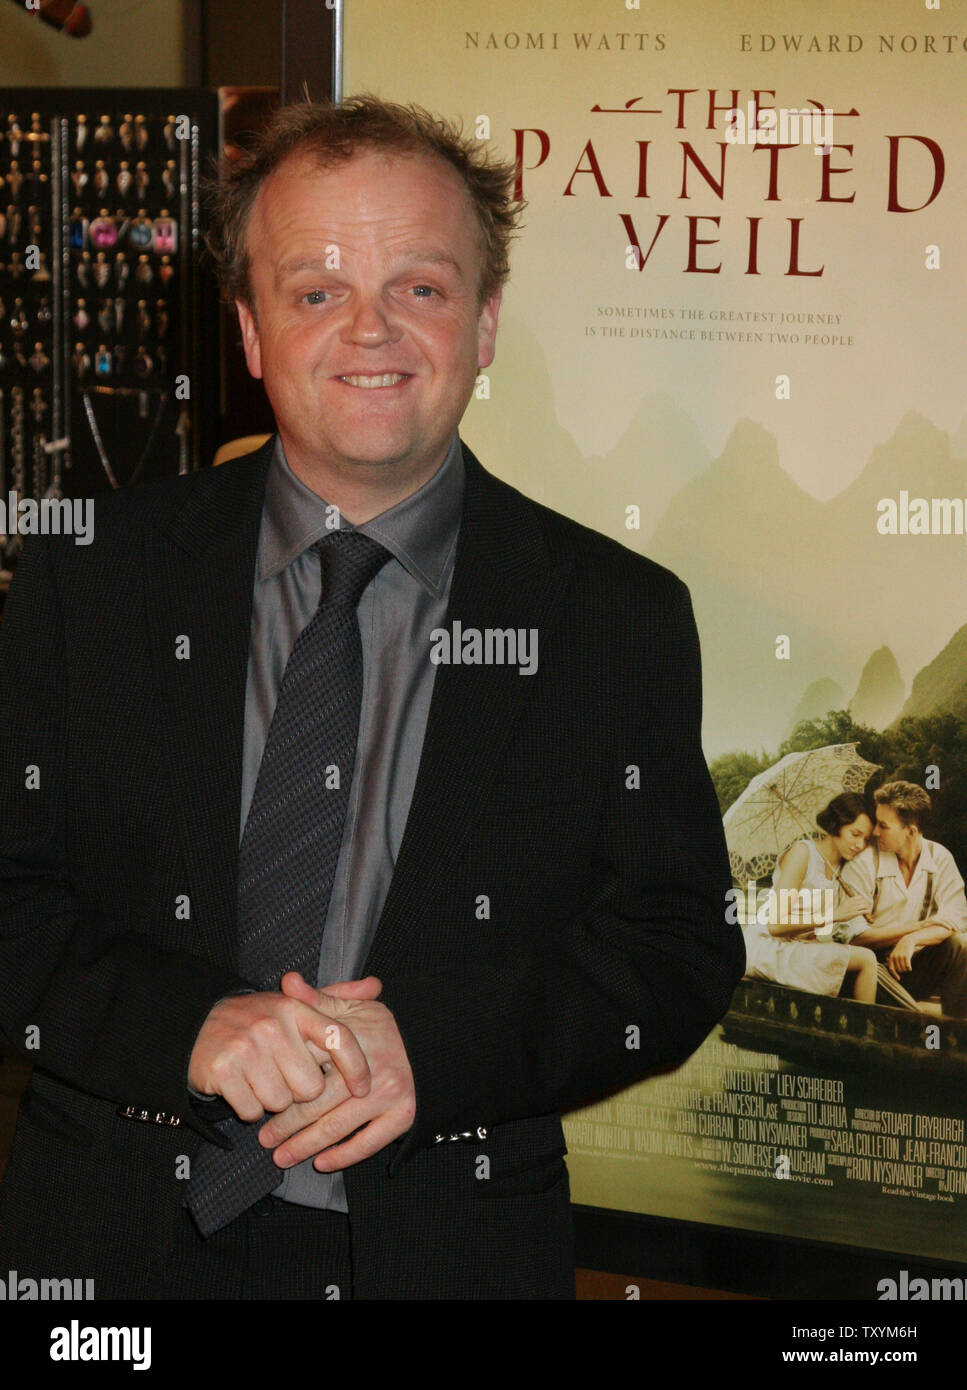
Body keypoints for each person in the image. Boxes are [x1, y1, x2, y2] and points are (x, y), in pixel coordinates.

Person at [0, 96, 743, 1301]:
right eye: (315, 290)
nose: (370, 330)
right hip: (111, 1253)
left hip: (449, 1250)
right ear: (248, 331)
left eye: (422, 288)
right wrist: (185, 1023)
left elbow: (675, 948)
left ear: (486, 322)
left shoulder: (614, 615)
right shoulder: (90, 575)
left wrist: (439, 1053)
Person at [837, 781, 967, 1016]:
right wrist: (915, 928)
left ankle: (956, 1032)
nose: (875, 832)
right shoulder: (863, 863)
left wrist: (912, 939)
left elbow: (955, 920)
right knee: (867, 962)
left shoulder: (940, 858)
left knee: (961, 945)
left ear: (911, 831)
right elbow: (853, 939)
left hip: (909, 964)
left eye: (883, 826)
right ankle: (916, 1020)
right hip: (870, 970)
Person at [742, 792, 878, 1001]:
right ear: (836, 826)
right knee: (866, 959)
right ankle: (866, 1031)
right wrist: (834, 915)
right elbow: (776, 925)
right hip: (768, 947)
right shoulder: (802, 854)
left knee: (848, 954)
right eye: (855, 834)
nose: (860, 845)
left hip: (798, 944)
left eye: (866, 839)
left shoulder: (843, 866)